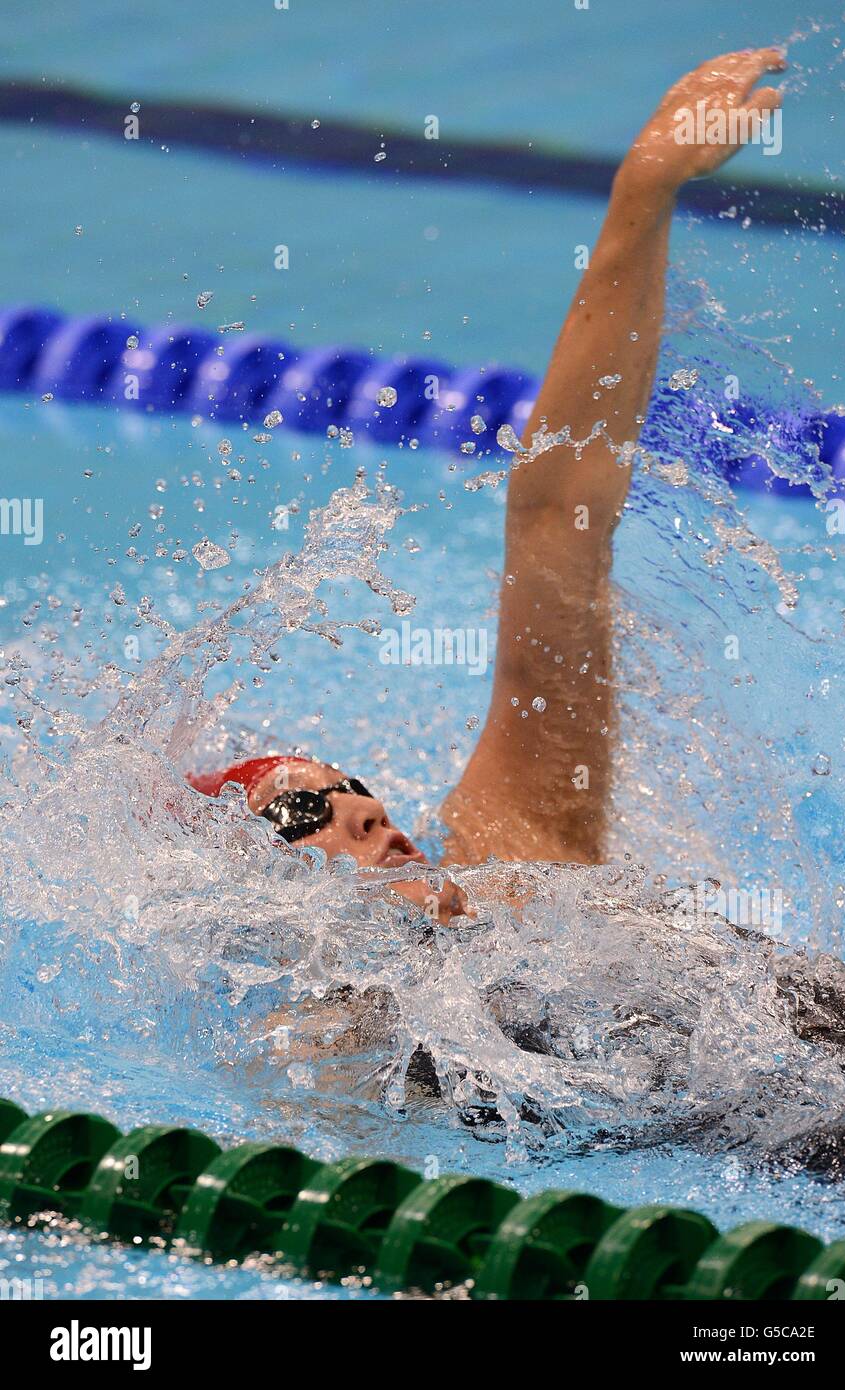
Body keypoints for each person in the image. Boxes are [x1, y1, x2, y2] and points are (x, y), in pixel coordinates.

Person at [187, 49, 786, 924]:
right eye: (302, 813)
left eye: (347, 789)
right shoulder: (302, 1048)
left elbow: (555, 522)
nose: (364, 808)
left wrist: (640, 200)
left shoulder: (513, 871)